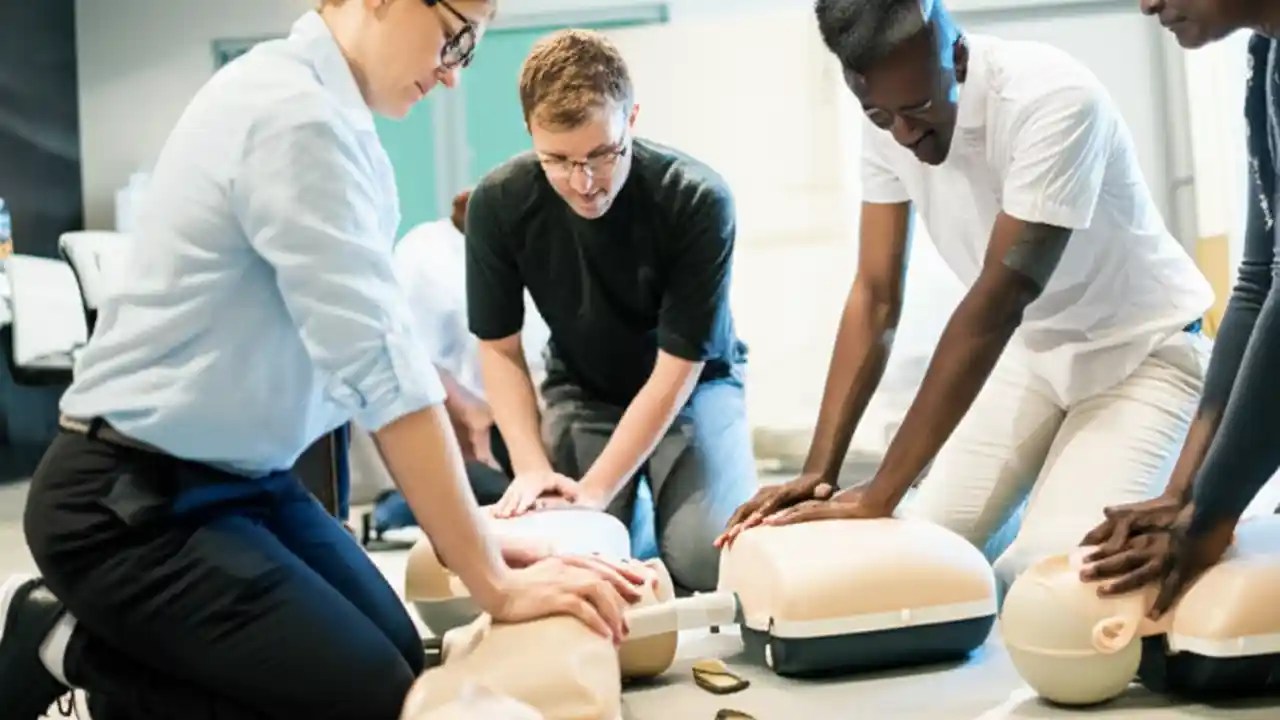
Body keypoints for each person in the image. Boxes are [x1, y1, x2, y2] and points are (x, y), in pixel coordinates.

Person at [0, 3, 644, 719]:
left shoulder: (341, 125)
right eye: (455, 37)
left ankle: (113, 646)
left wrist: (470, 532)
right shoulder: (290, 117)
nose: (453, 72)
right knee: (370, 699)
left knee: (398, 654)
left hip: (247, 484)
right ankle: (70, 648)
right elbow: (383, 374)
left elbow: (374, 355)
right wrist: (490, 579)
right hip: (130, 501)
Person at [717, 0, 1215, 592]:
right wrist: (818, 472)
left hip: (1144, 357)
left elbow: (998, 302)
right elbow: (875, 294)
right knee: (917, 556)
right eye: (880, 116)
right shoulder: (889, 118)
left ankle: (1238, 502)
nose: (904, 134)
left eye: (918, 110)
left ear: (956, 58)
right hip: (1035, 356)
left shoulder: (1051, 100)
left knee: (1043, 581)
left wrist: (881, 490)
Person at [465, 28, 757, 594]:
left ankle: (646, 517)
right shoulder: (497, 204)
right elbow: (499, 350)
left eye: (603, 154)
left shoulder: (697, 199)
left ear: (633, 118)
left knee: (705, 560)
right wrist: (530, 468)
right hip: (585, 391)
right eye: (560, 160)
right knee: (578, 551)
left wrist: (596, 491)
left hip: (695, 388)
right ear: (531, 133)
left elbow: (677, 369)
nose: (586, 183)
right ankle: (633, 526)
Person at [1080, 0, 1280, 618]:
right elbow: (1256, 281)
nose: (1147, 5)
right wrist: (1185, 490)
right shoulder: (1266, 53)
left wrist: (1213, 514)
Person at [357, 189, 552, 534]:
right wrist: (471, 413)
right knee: (500, 497)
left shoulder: (533, 252)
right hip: (462, 422)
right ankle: (396, 508)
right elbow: (406, 353)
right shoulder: (424, 253)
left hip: (520, 420)